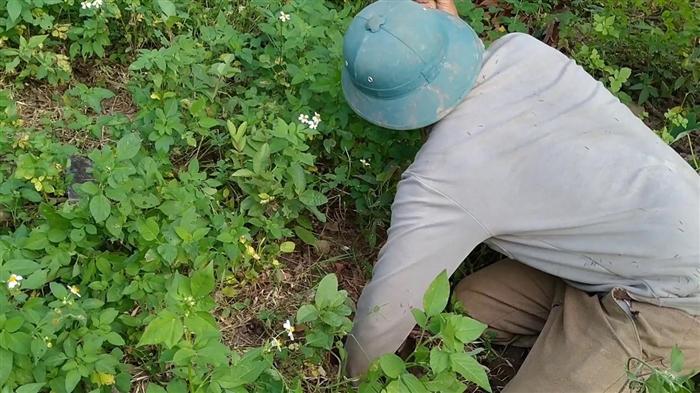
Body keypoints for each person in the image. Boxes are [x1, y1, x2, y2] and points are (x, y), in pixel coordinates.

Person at [339, 0, 700, 392]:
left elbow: (387, 310)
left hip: (674, 303)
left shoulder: (442, 179)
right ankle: (571, 341)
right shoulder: (522, 50)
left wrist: (353, 380)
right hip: (621, 258)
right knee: (466, 307)